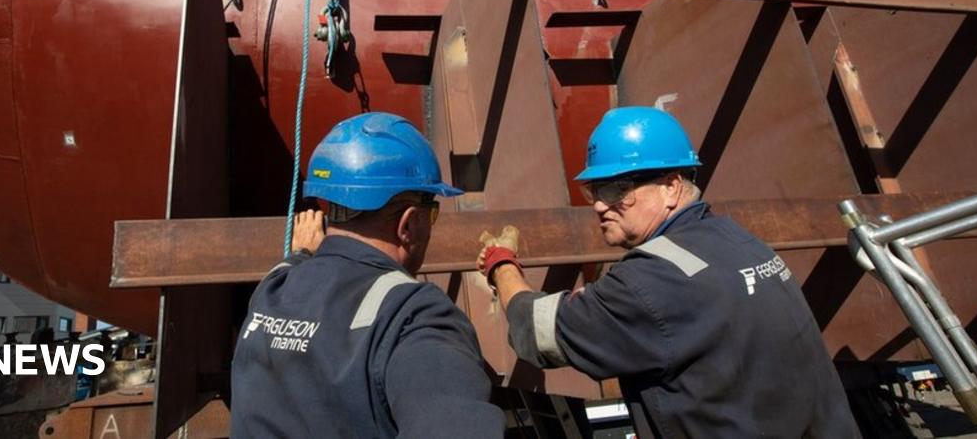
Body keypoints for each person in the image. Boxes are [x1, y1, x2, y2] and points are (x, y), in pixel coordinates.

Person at [477, 106, 860, 438]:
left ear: (672, 187)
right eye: (594, 190)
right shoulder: (741, 241)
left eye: (619, 188)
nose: (598, 206)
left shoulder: (651, 282)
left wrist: (501, 264)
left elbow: (538, 329)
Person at [230, 112, 504, 438]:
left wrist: (303, 253)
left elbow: (289, 270)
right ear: (409, 224)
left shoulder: (271, 293)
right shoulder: (414, 318)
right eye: (432, 213)